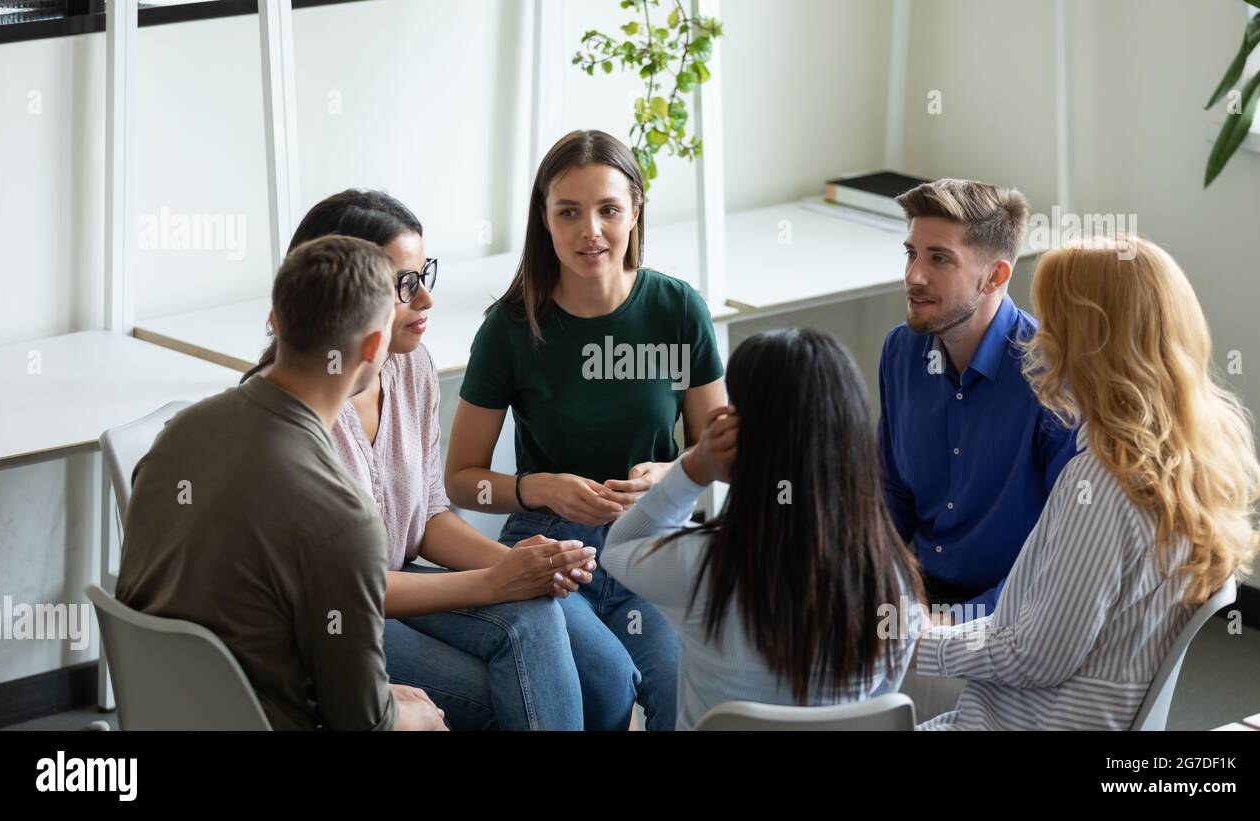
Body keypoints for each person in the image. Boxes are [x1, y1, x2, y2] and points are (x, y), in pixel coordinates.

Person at [242, 190, 597, 730]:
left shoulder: (410, 367)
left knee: (538, 620)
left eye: (423, 273)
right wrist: (498, 577)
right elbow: (339, 589)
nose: (426, 299)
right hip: (334, 619)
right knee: (503, 693)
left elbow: (429, 513)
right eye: (405, 284)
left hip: (397, 579)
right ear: (343, 291)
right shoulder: (291, 418)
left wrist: (518, 566)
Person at [914, 235, 1260, 730]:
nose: (1036, 342)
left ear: (1089, 342)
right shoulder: (1186, 463)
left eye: (1051, 325)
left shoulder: (1103, 485)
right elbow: (1041, 630)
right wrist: (927, 638)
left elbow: (1035, 656)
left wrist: (910, 645)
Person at [446, 130, 727, 730]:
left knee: (684, 695)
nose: (589, 231)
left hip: (653, 543)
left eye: (608, 210)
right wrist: (539, 487)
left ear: (636, 210)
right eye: (568, 212)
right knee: (605, 691)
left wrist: (673, 475)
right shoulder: (511, 329)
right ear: (543, 219)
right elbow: (461, 482)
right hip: (549, 547)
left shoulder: (677, 310)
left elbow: (718, 454)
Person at [117, 236, 444, 730]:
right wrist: (414, 718)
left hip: (165, 712)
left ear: (276, 318)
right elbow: (363, 725)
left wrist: (378, 699)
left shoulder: (177, 435)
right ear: (375, 346)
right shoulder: (344, 518)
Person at [602, 329, 925, 730]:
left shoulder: (705, 568)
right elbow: (875, 709)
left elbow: (619, 547)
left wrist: (693, 469)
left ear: (744, 438)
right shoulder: (893, 581)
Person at [878, 178, 1080, 719]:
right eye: (912, 253)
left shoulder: (1049, 376)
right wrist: (895, 591)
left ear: (995, 275)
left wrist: (954, 624)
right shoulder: (902, 352)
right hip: (917, 595)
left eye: (939, 259)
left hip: (1010, 618)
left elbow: (1065, 551)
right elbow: (891, 496)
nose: (913, 276)